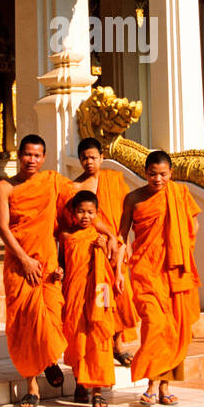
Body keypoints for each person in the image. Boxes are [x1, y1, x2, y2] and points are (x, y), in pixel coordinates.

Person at [118, 149, 200, 406]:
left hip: (174, 271)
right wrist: (118, 266)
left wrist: (181, 248)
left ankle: (162, 386)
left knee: (173, 328)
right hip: (145, 270)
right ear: (145, 173)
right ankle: (153, 382)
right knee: (155, 325)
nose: (158, 180)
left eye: (163, 174)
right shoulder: (133, 199)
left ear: (171, 173)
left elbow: (192, 226)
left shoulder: (179, 195)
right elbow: (122, 235)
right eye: (153, 174)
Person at [0, 134, 71, 407]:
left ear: (44, 158)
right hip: (18, 263)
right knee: (24, 324)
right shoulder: (5, 187)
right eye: (27, 154)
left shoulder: (51, 181)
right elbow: (2, 227)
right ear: (19, 154)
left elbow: (78, 205)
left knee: (51, 317)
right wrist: (25, 260)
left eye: (37, 155)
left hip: (47, 263)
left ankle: (49, 359)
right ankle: (32, 386)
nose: (32, 160)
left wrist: (110, 235)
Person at [63, 137, 137, 366]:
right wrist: (107, 237)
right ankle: (100, 342)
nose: (89, 162)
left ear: (102, 158)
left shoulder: (114, 180)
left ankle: (117, 343)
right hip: (93, 252)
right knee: (100, 298)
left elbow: (125, 215)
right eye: (84, 158)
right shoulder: (75, 187)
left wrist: (120, 241)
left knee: (119, 296)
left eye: (93, 157)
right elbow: (81, 219)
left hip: (116, 252)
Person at [58, 190, 123, 407]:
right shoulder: (66, 235)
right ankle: (80, 383)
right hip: (74, 292)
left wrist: (104, 246)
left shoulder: (99, 235)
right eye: (81, 211)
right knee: (77, 337)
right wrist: (58, 273)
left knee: (100, 336)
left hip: (100, 290)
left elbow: (109, 264)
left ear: (96, 213)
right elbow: (63, 263)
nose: (85, 216)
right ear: (73, 213)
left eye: (90, 212)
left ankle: (97, 390)